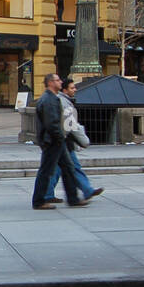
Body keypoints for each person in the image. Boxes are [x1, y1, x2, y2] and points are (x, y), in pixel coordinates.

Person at [32, 72, 87, 210]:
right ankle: (39, 201)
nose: (61, 82)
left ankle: (73, 198)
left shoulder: (51, 98)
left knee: (68, 168)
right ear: (50, 83)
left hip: (55, 140)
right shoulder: (49, 99)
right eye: (57, 80)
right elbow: (51, 124)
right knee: (46, 171)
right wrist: (59, 137)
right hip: (52, 141)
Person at [44, 77, 103, 204]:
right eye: (72, 88)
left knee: (58, 169)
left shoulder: (62, 100)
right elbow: (70, 125)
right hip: (63, 140)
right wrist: (83, 140)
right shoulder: (64, 103)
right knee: (71, 167)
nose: (75, 90)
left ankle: (48, 194)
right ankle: (84, 192)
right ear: (64, 90)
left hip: (60, 140)